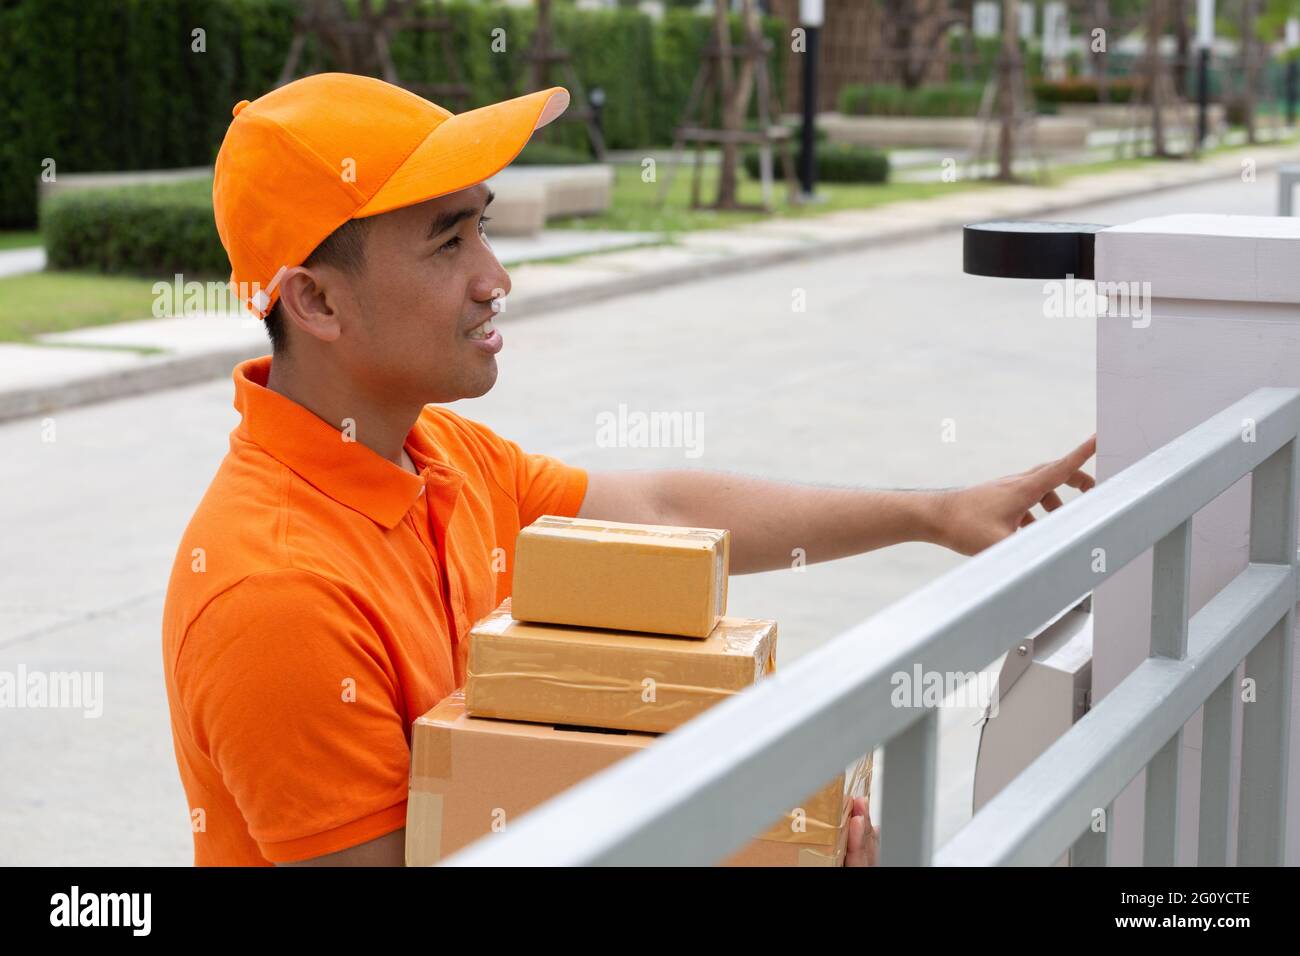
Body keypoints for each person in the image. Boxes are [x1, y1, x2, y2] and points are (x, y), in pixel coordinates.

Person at [162, 73, 1095, 867]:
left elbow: (656, 506)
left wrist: (936, 514)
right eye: (449, 242)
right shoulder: (274, 595)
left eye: (483, 230)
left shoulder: (437, 455)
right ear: (316, 301)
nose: (496, 277)